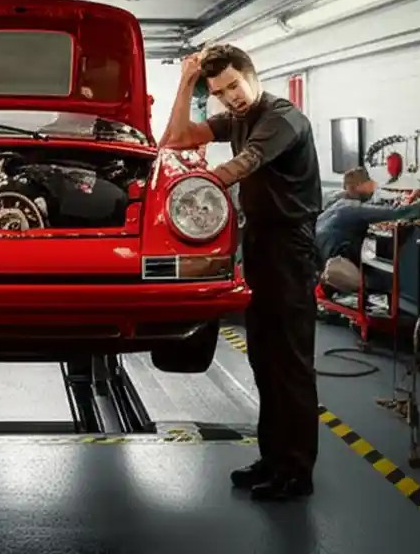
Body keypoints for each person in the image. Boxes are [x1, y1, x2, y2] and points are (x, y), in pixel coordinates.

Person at [159, 44, 323, 502]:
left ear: (252, 76)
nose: (230, 97)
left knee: (290, 362)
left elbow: (243, 165)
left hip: (290, 246)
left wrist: (196, 190)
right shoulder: (236, 117)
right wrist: (185, 82)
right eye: (219, 91)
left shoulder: (281, 118)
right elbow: (176, 138)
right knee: (263, 359)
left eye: (234, 85)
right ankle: (273, 458)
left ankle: (296, 470)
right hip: (259, 243)